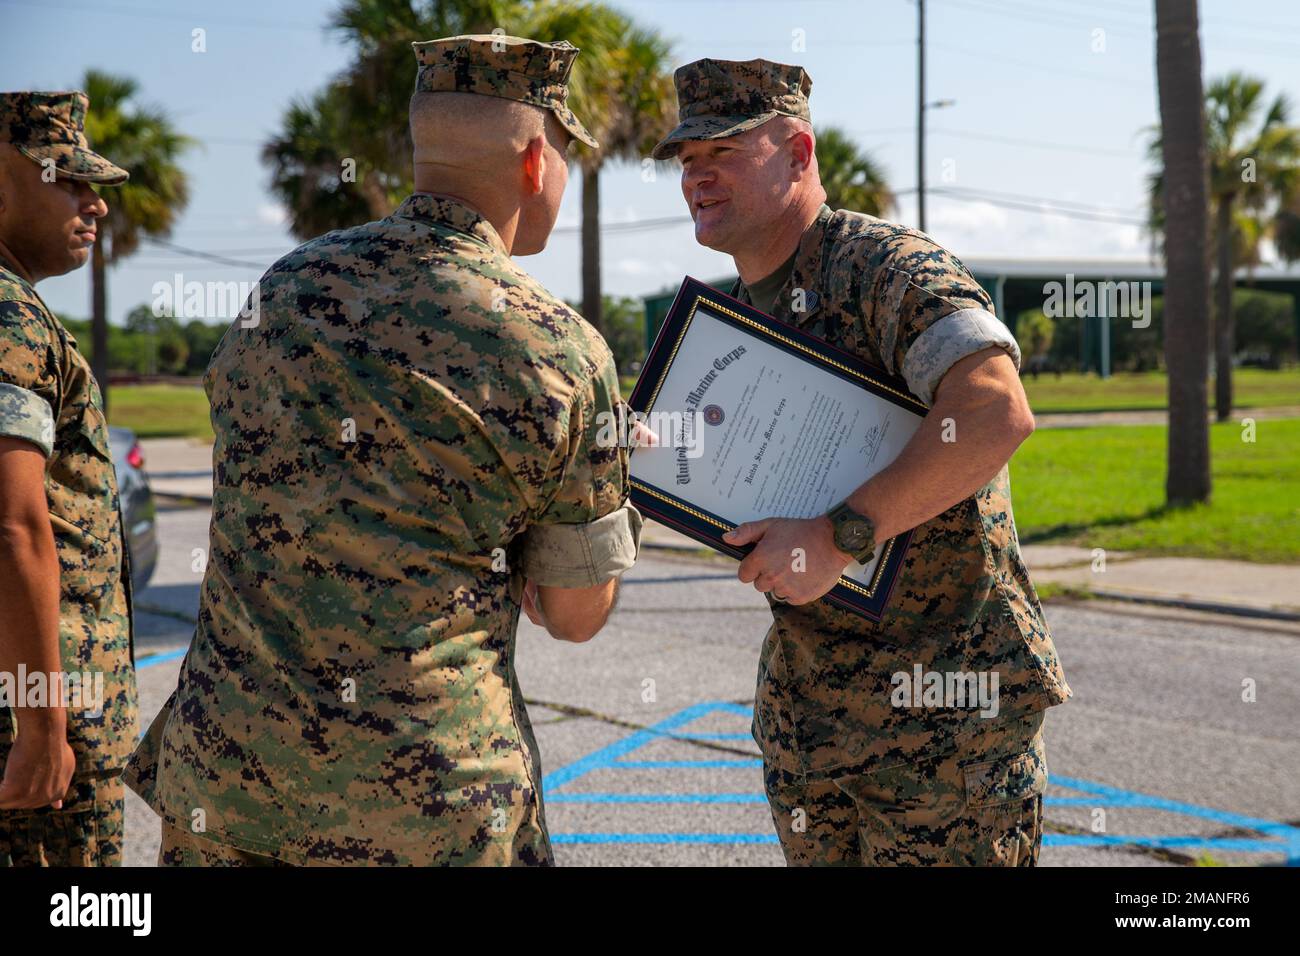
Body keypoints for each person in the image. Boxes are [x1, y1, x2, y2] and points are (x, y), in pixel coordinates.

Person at [124, 35, 642, 866]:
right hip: (428, 809)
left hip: (226, 781)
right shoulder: (561, 350)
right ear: (538, 160)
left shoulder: (283, 289)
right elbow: (577, 614)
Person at [652, 58, 1071, 866]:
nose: (698, 179)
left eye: (723, 154)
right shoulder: (729, 322)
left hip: (944, 731)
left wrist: (840, 537)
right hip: (814, 724)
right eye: (687, 163)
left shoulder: (888, 268)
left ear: (799, 152)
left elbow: (994, 409)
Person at [0, 90, 138, 867]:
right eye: (67, 179)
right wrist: (43, 725)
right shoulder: (8, 318)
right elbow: (13, 525)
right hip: (38, 722)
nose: (94, 205)